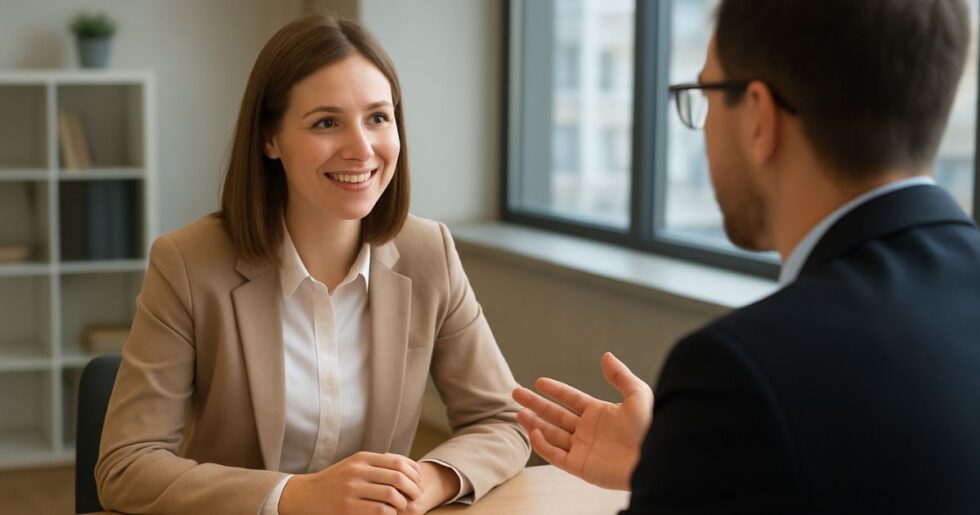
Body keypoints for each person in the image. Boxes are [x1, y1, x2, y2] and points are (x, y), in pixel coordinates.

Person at [513, 0, 980, 513]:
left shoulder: (741, 376)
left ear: (759, 116)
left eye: (706, 96)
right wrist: (672, 463)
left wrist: (691, 458)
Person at [95, 14, 529, 515]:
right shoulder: (188, 263)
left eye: (378, 117)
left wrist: (427, 481)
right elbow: (126, 465)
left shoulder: (430, 253)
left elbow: (503, 420)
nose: (361, 149)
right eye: (327, 122)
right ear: (270, 139)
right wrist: (295, 496)